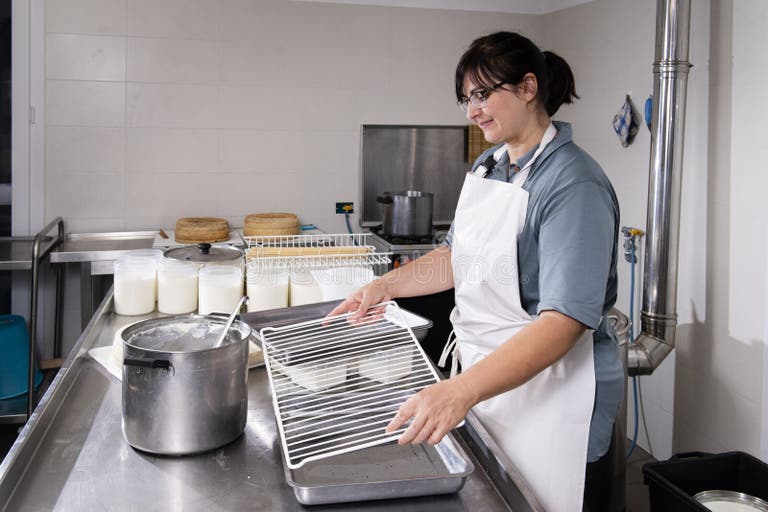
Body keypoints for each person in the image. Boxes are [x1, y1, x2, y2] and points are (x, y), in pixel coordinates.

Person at [329, 31, 623, 512]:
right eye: (466, 99)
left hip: (553, 391)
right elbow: (455, 257)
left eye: (483, 94)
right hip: (490, 378)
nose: (472, 111)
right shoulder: (491, 164)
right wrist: (384, 286)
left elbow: (563, 322)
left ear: (528, 87)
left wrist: (459, 391)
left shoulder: (573, 184)